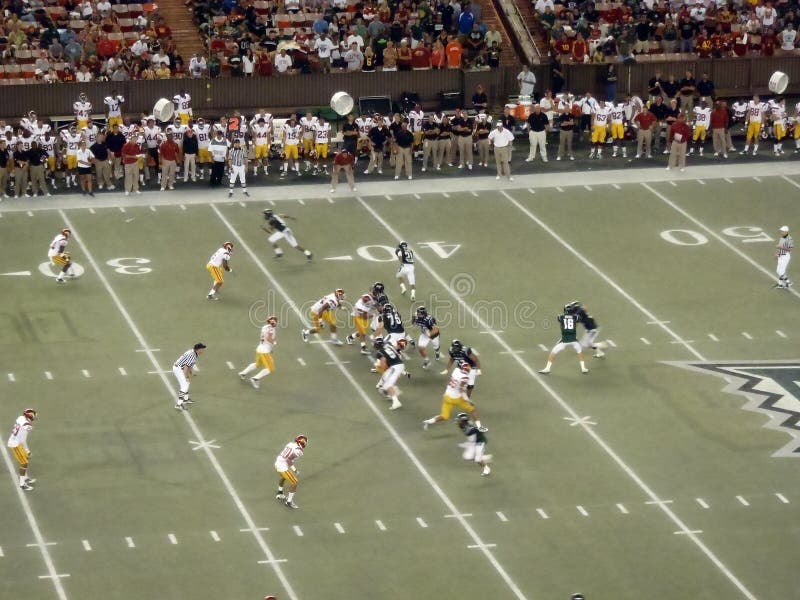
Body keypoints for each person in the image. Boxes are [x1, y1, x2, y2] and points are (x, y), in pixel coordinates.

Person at [423, 362, 481, 429]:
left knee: (444, 416)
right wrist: (468, 400)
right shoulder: (465, 378)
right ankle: (479, 426)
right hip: (456, 398)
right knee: (472, 410)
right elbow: (461, 390)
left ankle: (429, 421)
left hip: (447, 396)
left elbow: (459, 367)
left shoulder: (456, 370)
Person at [539, 304, 589, 374]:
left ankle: (547, 368)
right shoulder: (576, 317)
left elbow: (561, 326)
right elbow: (576, 325)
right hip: (573, 339)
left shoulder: (561, 317)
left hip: (564, 339)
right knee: (579, 351)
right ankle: (583, 368)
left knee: (553, 352)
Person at [238, 315, 277, 389]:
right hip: (264, 352)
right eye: (273, 321)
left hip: (260, 349)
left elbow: (265, 337)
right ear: (270, 322)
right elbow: (269, 338)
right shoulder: (271, 329)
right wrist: (274, 342)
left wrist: (271, 348)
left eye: (275, 321)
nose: (275, 322)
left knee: (258, 364)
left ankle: (243, 373)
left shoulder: (264, 327)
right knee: (271, 369)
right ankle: (255, 378)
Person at [7, 408, 38, 490]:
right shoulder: (27, 426)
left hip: (16, 440)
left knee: (26, 458)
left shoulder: (21, 418)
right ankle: (22, 484)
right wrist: (27, 450)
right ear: (30, 416)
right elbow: (22, 440)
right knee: (24, 463)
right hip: (16, 444)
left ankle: (25, 478)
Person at [274, 434, 307, 509]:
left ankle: (280, 493)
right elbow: (288, 460)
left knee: (284, 477)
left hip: (278, 462)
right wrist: (295, 470)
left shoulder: (290, 444)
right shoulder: (298, 451)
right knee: (294, 482)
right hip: (282, 466)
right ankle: (289, 502)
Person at [373, 336, 405, 410]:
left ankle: (396, 401)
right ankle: (393, 392)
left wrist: (379, 366)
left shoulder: (379, 352)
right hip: (397, 364)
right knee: (385, 378)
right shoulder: (389, 346)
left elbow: (383, 363)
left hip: (395, 366)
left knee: (388, 385)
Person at [173, 343, 206, 410]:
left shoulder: (193, 353)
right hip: (179, 369)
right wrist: (187, 377)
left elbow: (189, 366)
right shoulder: (192, 355)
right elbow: (186, 368)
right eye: (202, 349)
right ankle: (178, 404)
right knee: (185, 386)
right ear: (198, 349)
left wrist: (191, 374)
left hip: (180, 368)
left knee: (187, 383)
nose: (203, 350)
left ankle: (186, 399)